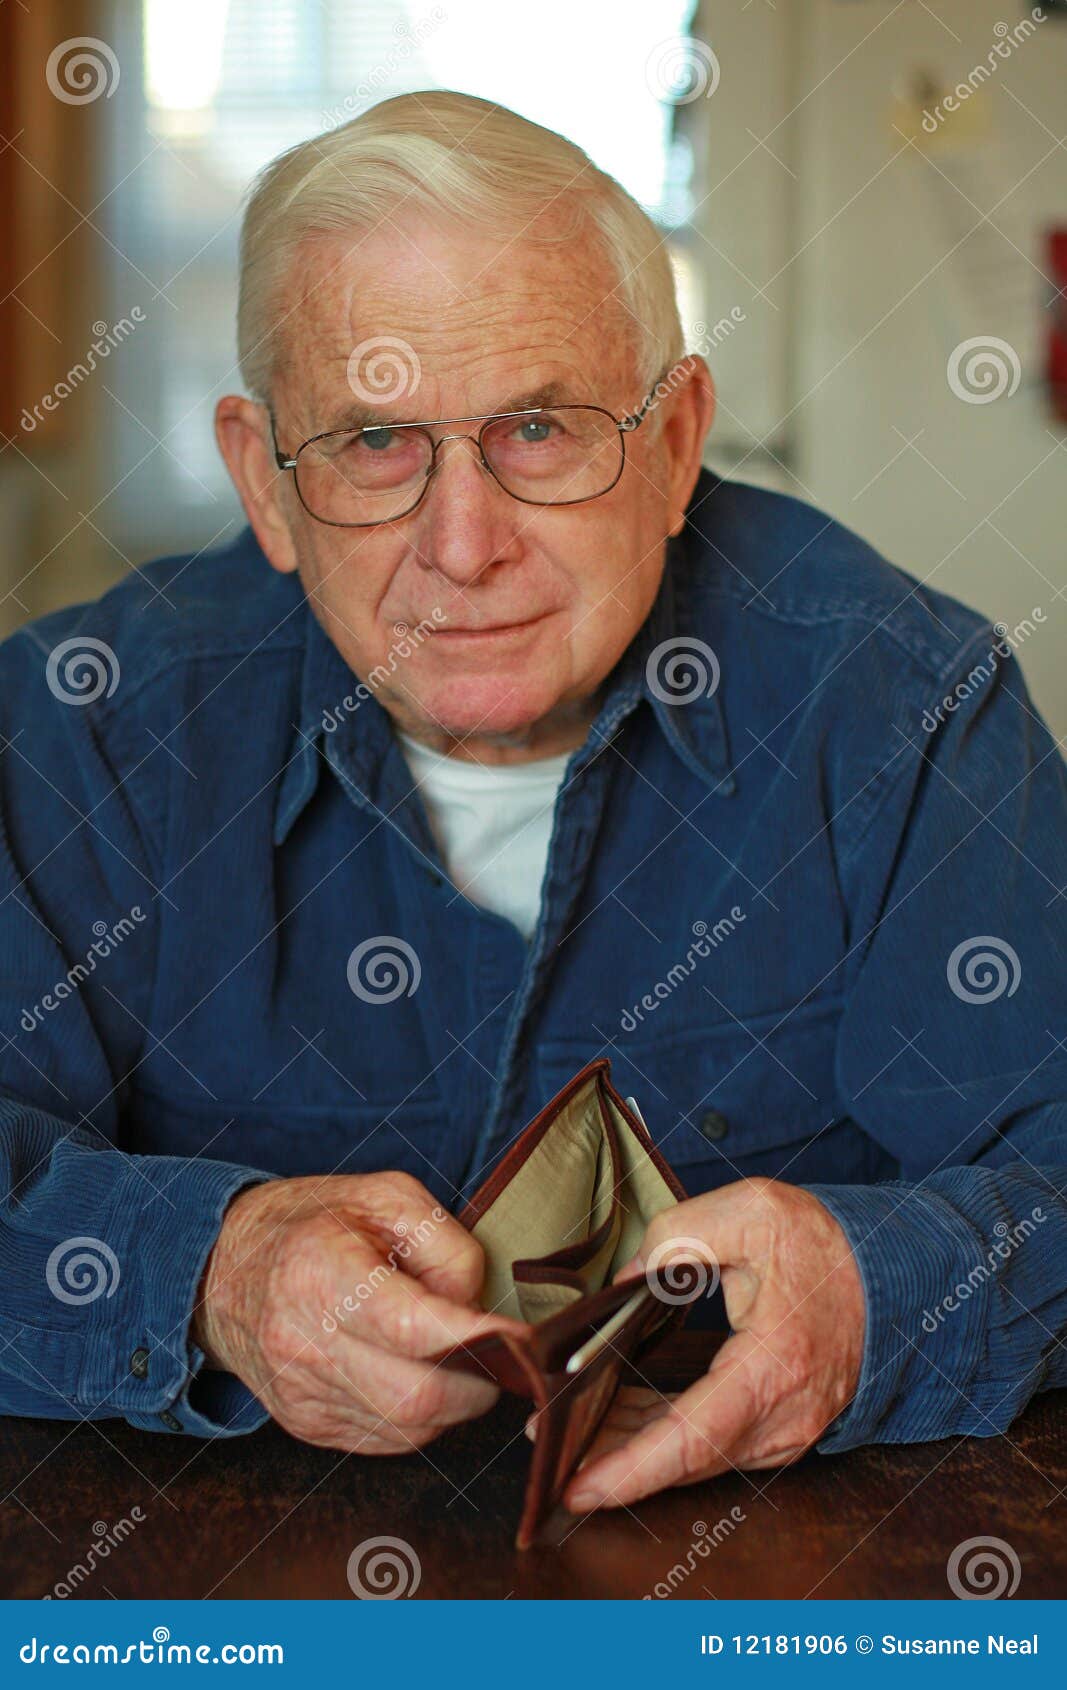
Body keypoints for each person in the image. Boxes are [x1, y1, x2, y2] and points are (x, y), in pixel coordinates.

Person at [1, 92, 1064, 1519]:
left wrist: (882, 1295)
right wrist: (214, 1273)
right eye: (376, 442)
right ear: (264, 478)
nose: (463, 544)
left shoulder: (904, 706)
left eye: (540, 428)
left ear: (678, 437)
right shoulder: (82, 732)